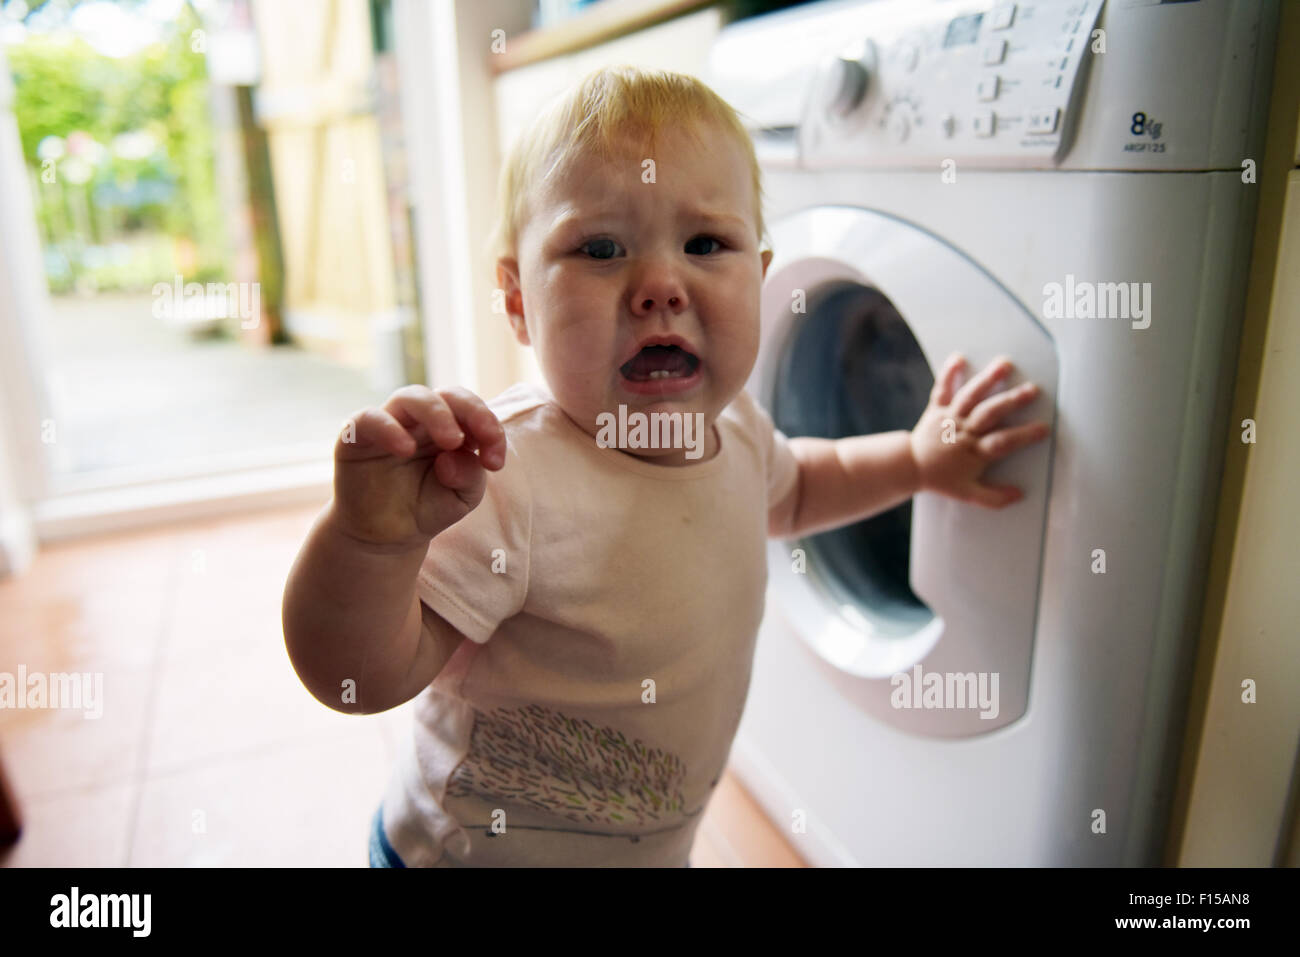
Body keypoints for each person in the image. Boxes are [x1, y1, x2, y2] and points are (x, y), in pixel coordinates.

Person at [282, 66, 1051, 868]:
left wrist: (918, 459)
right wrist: (369, 544)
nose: (659, 286)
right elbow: (358, 677)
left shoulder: (740, 431)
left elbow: (800, 487)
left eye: (705, 244)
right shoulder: (503, 479)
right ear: (517, 301)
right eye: (602, 248)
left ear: (758, 276)